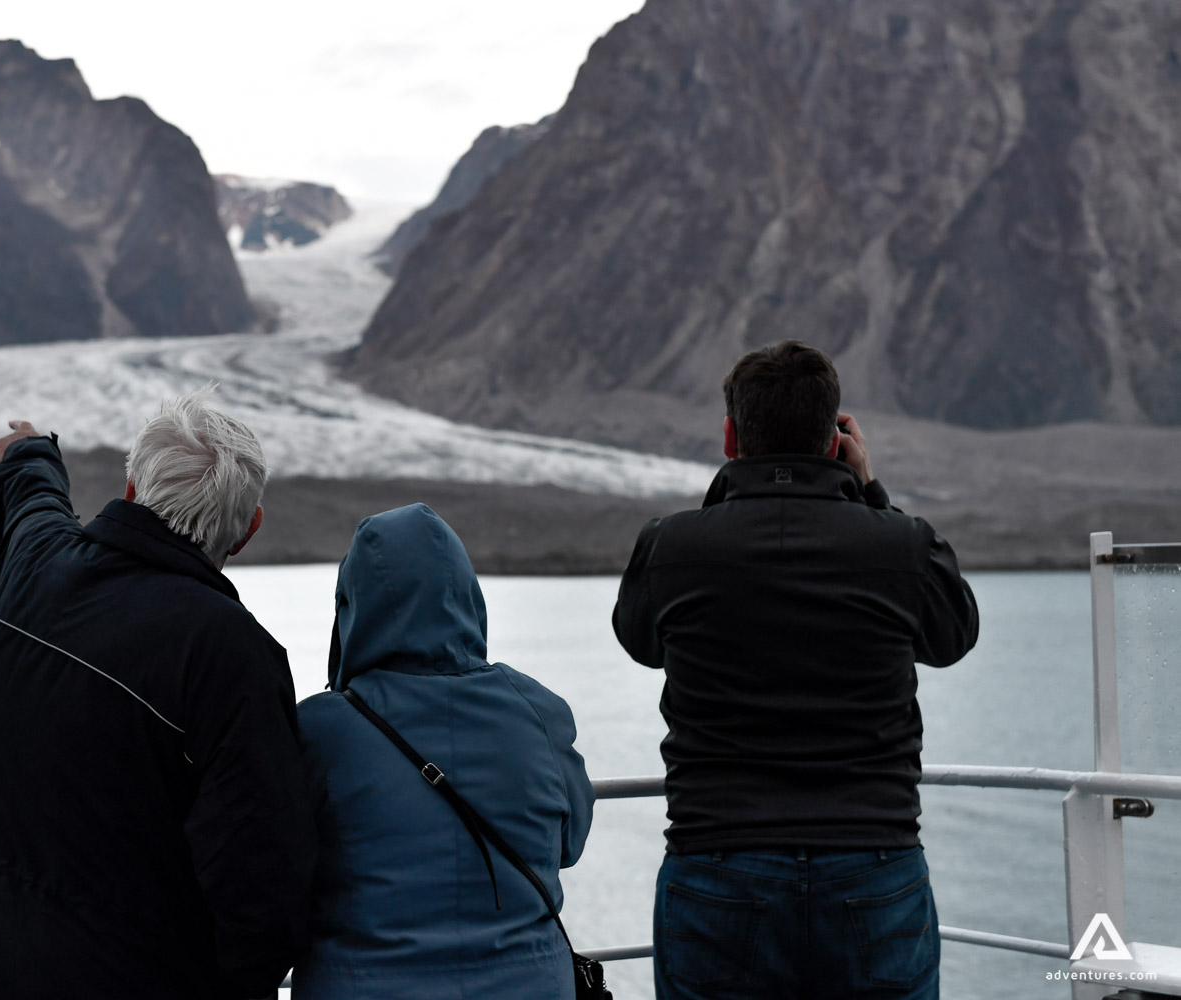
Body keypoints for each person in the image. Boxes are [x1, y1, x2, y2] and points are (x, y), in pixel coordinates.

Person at [613, 341, 979, 1000]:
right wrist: (871, 493)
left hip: (718, 867)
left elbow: (641, 641)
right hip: (874, 867)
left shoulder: (670, 546)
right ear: (836, 441)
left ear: (730, 436)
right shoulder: (901, 544)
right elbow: (953, 635)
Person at [0, 390, 316, 1000]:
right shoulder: (234, 656)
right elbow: (263, 890)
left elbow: (32, 504)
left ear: (134, 492)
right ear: (247, 532)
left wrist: (27, 451)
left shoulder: (39, 570)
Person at [290, 503, 596, 1000]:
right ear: (467, 596)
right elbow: (569, 842)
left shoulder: (319, 731)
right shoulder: (539, 711)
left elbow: (282, 869)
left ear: (352, 607)